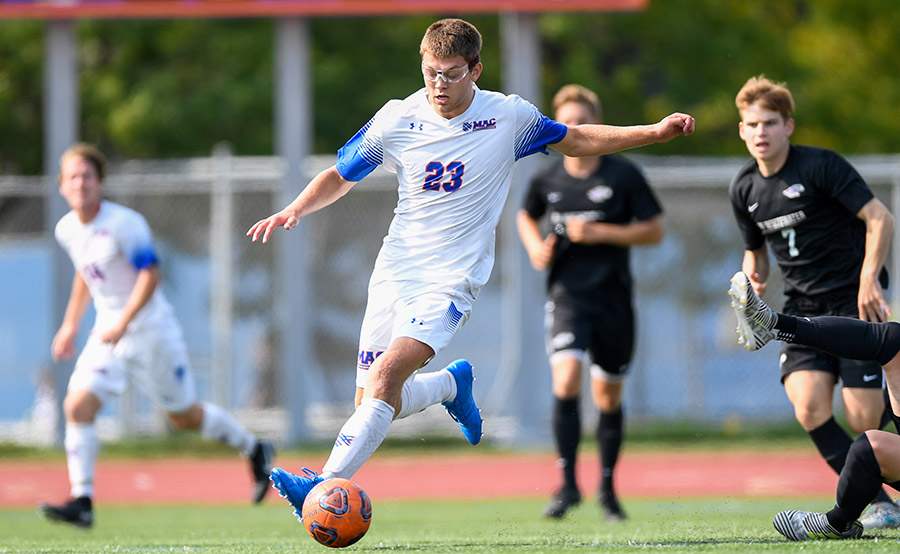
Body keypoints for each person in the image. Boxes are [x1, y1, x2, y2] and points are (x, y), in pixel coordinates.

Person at [246, 18, 694, 521]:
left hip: (450, 279)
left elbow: (578, 139)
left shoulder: (507, 117)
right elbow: (340, 174)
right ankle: (449, 386)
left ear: (475, 69)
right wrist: (295, 209)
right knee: (371, 401)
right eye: (431, 72)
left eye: (452, 74)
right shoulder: (397, 117)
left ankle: (321, 485)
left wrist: (652, 132)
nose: (439, 85)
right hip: (394, 272)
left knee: (387, 376)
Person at [40, 143, 275, 528]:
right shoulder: (67, 229)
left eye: (87, 175)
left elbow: (150, 276)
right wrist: (70, 324)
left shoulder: (124, 224)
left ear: (99, 182)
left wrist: (123, 321)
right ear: (61, 186)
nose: (80, 183)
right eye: (72, 177)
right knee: (77, 406)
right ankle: (82, 501)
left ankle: (255, 449)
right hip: (107, 333)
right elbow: (87, 276)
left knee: (182, 416)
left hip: (150, 331)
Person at [729, 75, 899, 528]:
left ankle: (885, 473)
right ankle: (881, 504)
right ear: (742, 131)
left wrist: (869, 280)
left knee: (863, 416)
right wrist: (752, 282)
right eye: (751, 124)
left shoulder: (822, 166)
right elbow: (757, 255)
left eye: (770, 122)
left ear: (789, 126)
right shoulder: (743, 189)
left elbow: (880, 218)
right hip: (801, 305)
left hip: (853, 302)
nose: (760, 132)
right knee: (808, 407)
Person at [517, 84, 663, 521]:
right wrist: (534, 248)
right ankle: (566, 486)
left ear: (597, 123)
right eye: (567, 120)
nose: (574, 128)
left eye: (582, 119)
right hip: (567, 297)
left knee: (607, 396)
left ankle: (607, 489)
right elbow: (527, 214)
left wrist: (601, 233)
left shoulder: (623, 175)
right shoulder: (546, 177)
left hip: (614, 299)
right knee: (566, 381)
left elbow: (654, 230)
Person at [729, 270, 900, 540]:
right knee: (870, 448)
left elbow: (881, 224)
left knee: (867, 441)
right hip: (807, 301)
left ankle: (836, 523)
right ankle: (774, 325)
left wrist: (868, 274)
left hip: (843, 294)